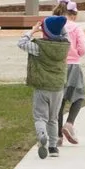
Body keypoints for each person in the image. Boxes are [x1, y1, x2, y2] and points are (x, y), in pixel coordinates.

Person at [21, 12, 71, 159]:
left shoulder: (38, 48)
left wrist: (33, 30)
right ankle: (53, 147)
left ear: (45, 32)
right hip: (57, 88)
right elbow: (64, 33)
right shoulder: (65, 47)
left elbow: (21, 43)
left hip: (42, 87)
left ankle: (42, 135)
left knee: (40, 117)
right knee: (53, 118)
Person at [52, 0, 85, 145]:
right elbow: (83, 49)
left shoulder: (54, 25)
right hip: (73, 65)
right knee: (79, 95)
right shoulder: (75, 27)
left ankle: (57, 136)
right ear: (73, 14)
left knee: (59, 100)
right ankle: (69, 124)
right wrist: (77, 53)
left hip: (57, 65)